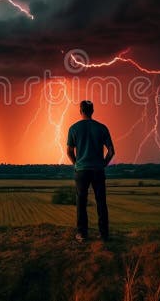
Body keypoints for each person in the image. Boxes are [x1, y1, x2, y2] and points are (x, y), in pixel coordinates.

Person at [66, 100, 114, 242]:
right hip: (98, 170)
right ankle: (104, 234)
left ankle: (82, 234)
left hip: (81, 171)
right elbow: (111, 151)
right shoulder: (102, 128)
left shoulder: (73, 128)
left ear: (80, 111)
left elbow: (69, 151)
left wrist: (77, 164)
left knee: (81, 201)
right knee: (101, 202)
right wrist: (103, 164)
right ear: (92, 111)